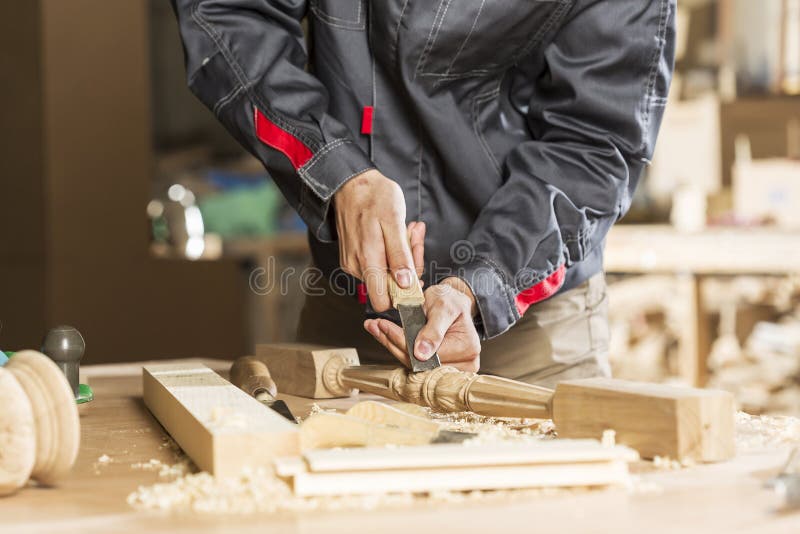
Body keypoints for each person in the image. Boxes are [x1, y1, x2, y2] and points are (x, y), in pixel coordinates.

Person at [171, 0, 676, 387]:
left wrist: (482, 284)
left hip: (531, 335)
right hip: (347, 323)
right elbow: (230, 13)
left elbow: (594, 144)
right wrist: (336, 171)